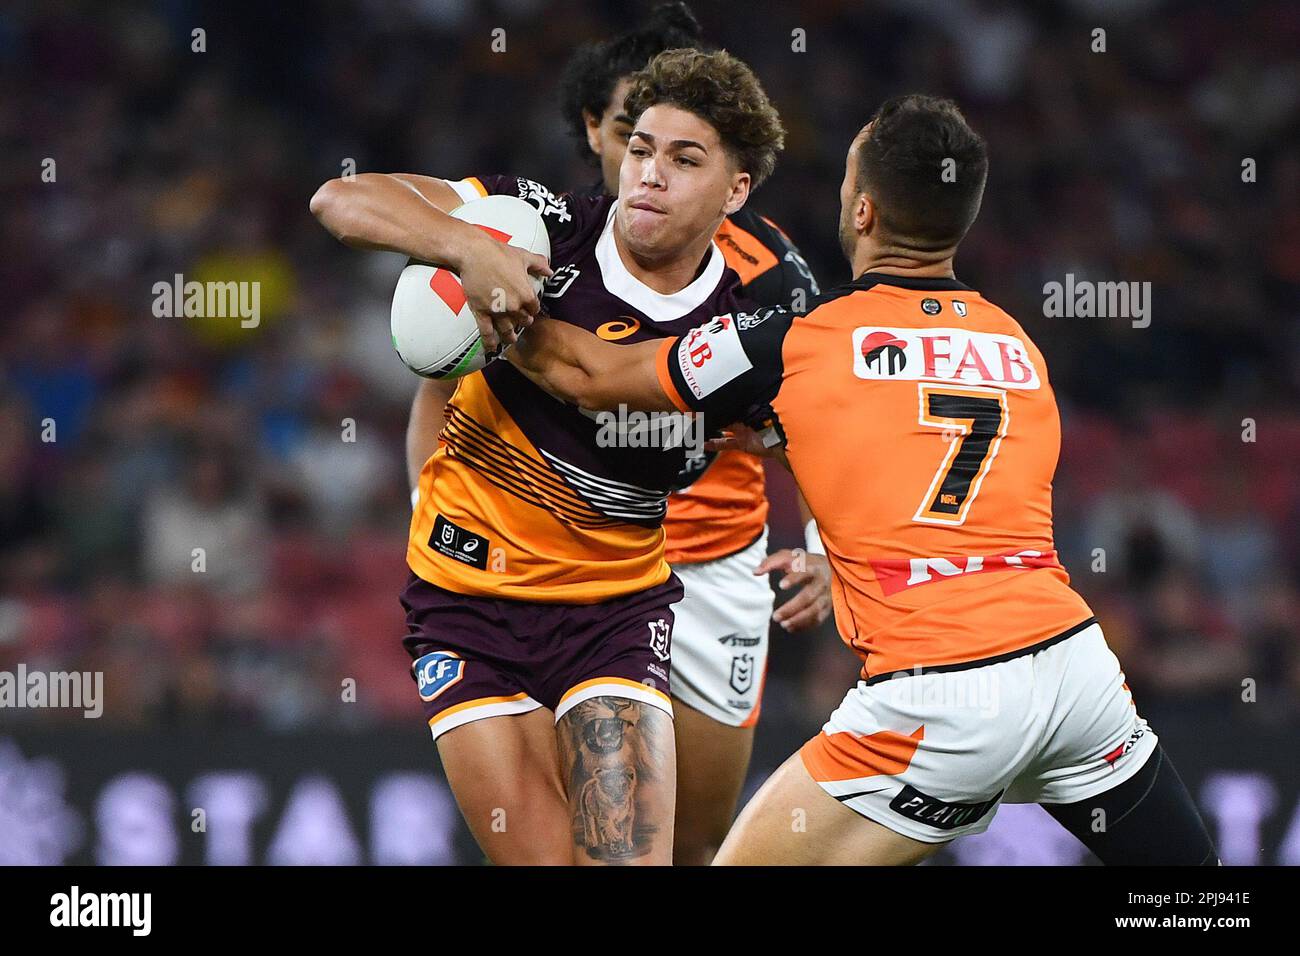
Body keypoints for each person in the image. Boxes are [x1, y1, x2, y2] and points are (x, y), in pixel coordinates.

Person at [505, 94, 1220, 865]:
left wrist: (493, 297)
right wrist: (835, 552)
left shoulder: (800, 339)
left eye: (849, 178)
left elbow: (588, 371)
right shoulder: (1016, 344)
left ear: (865, 209)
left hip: (940, 694)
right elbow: (937, 489)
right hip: (1074, 671)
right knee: (1190, 897)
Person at [310, 48, 787, 864]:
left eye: (684, 159)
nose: (650, 175)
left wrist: (823, 549)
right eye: (640, 149)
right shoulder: (541, 226)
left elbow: (608, 381)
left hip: (616, 613)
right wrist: (466, 247)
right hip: (470, 605)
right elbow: (341, 199)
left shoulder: (748, 328)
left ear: (736, 190)